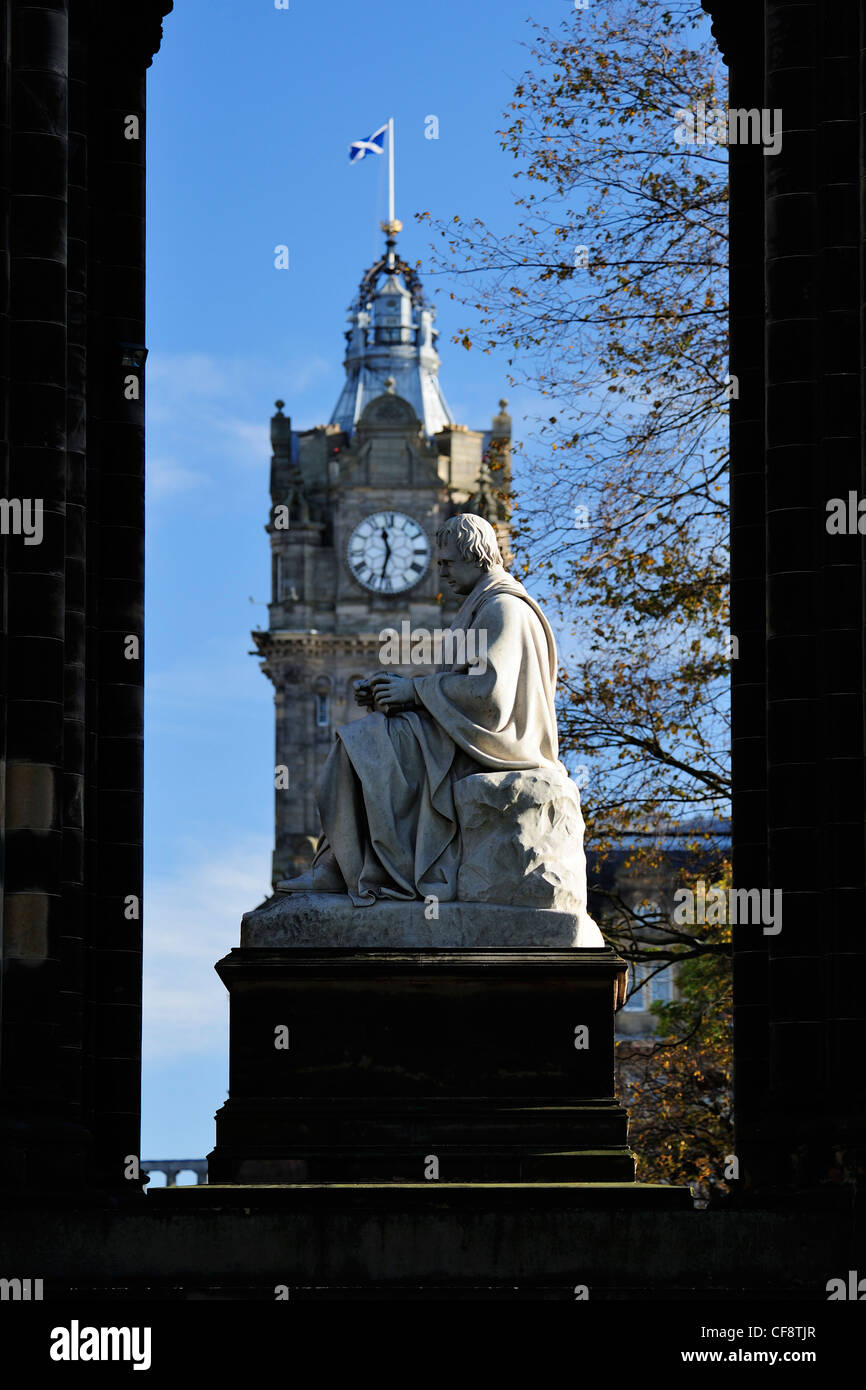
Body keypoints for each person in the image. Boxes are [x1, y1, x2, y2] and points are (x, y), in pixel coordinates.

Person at [281, 512, 565, 907]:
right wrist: (391, 695)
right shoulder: (482, 603)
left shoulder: (503, 607)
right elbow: (467, 692)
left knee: (361, 743)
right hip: (469, 738)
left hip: (494, 748)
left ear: (475, 555)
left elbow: (490, 697)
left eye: (448, 561)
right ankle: (342, 863)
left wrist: (414, 692)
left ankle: (349, 866)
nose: (441, 570)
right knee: (367, 737)